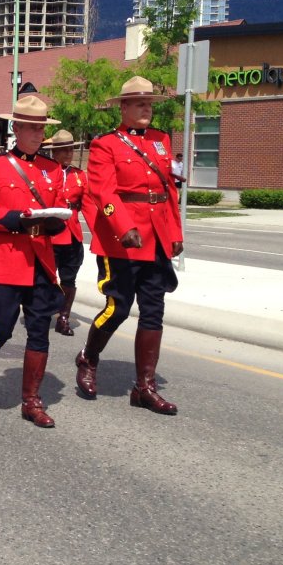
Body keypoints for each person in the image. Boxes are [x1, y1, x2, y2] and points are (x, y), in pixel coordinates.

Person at [76, 75, 183, 415]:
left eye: (149, 103)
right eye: (139, 103)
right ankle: (89, 357)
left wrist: (175, 232)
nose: (146, 109)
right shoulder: (105, 144)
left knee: (153, 310)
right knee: (118, 308)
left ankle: (144, 388)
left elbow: (168, 190)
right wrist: (123, 226)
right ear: (123, 107)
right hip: (121, 240)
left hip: (156, 238)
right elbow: (103, 192)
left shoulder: (161, 140)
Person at [0, 96, 68, 426]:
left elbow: (61, 206)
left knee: (40, 330)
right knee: (2, 327)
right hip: (5, 258)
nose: (39, 134)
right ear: (17, 128)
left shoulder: (53, 170)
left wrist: (57, 222)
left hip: (39, 259)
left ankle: (32, 401)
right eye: (33, 128)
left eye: (42, 128)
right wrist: (14, 219)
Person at [41, 129, 87, 336]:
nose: (69, 154)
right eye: (64, 150)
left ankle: (63, 318)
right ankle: (42, 313)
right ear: (54, 152)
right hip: (51, 233)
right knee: (46, 277)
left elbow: (89, 205)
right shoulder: (45, 173)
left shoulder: (79, 175)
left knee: (69, 278)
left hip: (72, 233)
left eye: (71, 150)